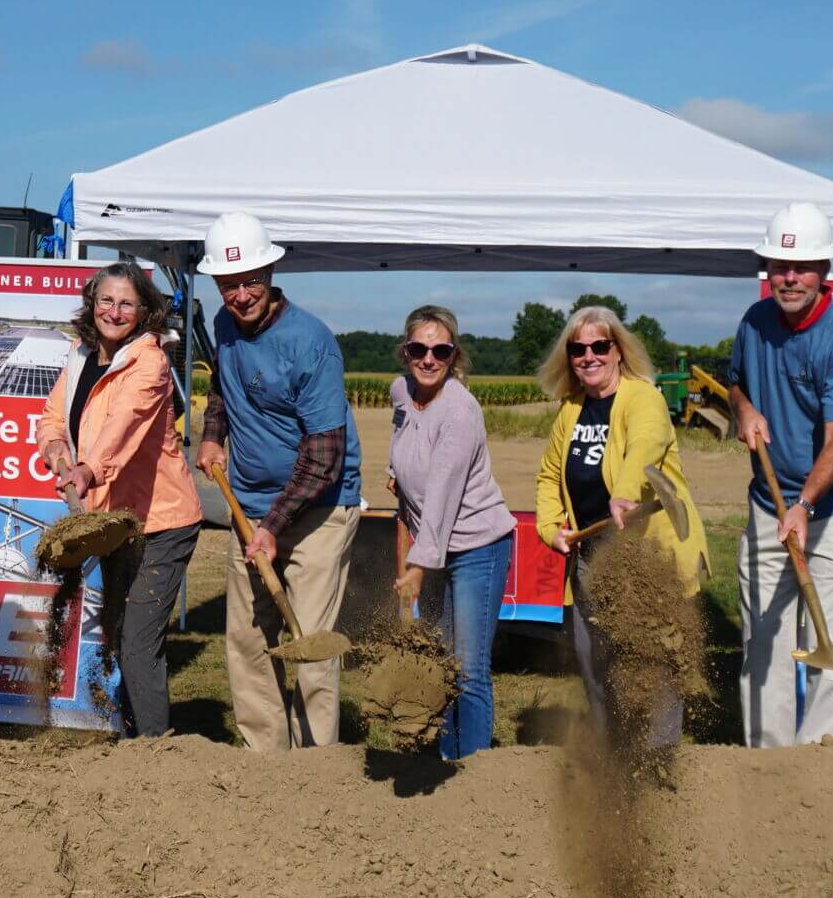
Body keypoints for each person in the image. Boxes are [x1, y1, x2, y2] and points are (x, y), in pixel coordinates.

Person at [192, 212, 362, 751]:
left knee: (310, 645)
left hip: (318, 512)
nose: (240, 296)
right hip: (251, 507)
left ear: (269, 271)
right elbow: (222, 389)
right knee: (246, 639)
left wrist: (272, 526)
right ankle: (267, 762)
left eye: (250, 282)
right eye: (228, 284)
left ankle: (315, 767)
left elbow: (324, 456)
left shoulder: (310, 343)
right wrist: (213, 436)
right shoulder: (222, 326)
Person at [729, 201, 833, 748]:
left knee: (832, 646)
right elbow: (736, 383)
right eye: (779, 266)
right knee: (763, 643)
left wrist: (806, 506)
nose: (789, 277)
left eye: (803, 266)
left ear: (825, 271)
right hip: (769, 503)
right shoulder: (753, 321)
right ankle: (768, 769)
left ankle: (819, 772)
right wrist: (743, 409)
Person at [37, 262, 202, 739]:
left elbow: (122, 427)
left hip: (162, 524)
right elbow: (52, 415)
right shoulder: (80, 354)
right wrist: (53, 447)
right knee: (120, 631)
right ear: (92, 303)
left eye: (127, 302)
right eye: (106, 300)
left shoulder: (149, 362)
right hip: (115, 524)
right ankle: (134, 739)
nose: (115, 310)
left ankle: (152, 751)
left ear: (145, 310)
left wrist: (88, 469)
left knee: (137, 639)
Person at [534, 305, 707, 753]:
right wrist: (550, 527)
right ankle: (615, 763)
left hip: (647, 561)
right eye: (578, 349)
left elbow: (645, 446)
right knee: (598, 668)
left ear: (618, 351)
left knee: (652, 666)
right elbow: (550, 476)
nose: (589, 356)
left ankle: (656, 764)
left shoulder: (642, 398)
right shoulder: (570, 410)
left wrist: (626, 492)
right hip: (592, 561)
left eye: (599, 346)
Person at [388, 306, 517, 759]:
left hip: (477, 546)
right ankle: (444, 759)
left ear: (453, 354)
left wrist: (420, 566)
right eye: (419, 349)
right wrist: (395, 472)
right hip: (435, 547)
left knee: (468, 667)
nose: (429, 358)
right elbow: (405, 439)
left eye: (440, 350)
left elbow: (442, 494)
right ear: (406, 352)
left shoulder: (460, 411)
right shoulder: (400, 391)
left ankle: (475, 773)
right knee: (440, 660)